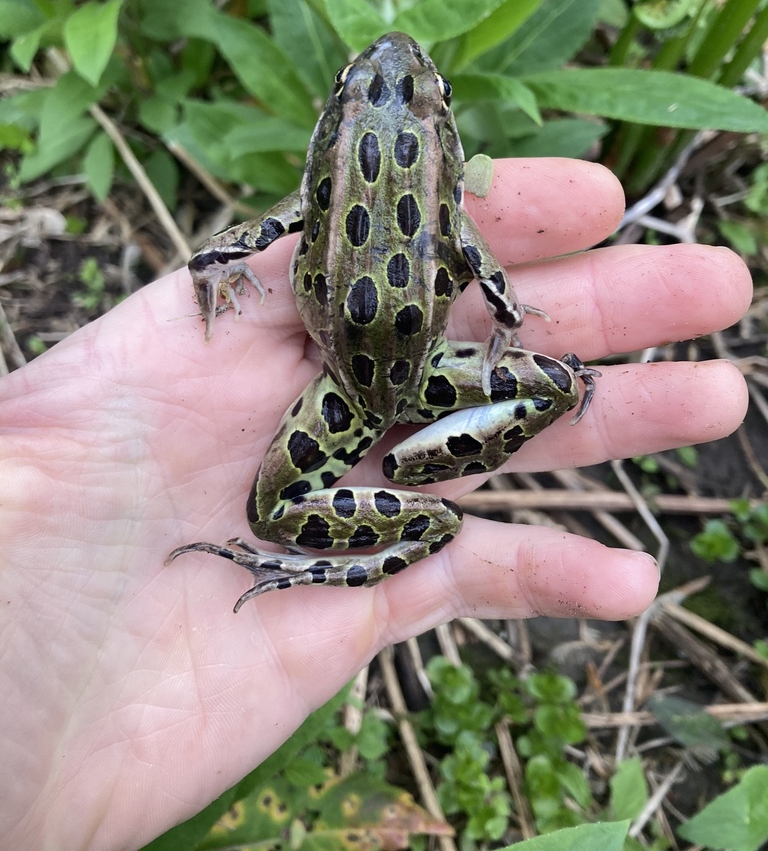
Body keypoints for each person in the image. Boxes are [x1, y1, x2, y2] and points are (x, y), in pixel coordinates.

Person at [0, 158, 751, 851]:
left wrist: (217, 272)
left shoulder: (315, 200)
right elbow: (498, 295)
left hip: (348, 393)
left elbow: (226, 251)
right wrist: (506, 324)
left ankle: (390, 514)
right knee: (555, 385)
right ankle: (403, 508)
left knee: (272, 515)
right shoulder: (448, 212)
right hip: (418, 376)